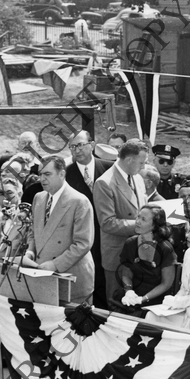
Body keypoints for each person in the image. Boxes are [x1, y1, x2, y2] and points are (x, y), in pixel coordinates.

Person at [23, 156, 95, 304]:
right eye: (40, 174)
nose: (42, 179)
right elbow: (33, 232)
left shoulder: (79, 201)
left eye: (47, 174)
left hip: (71, 278)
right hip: (42, 277)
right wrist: (30, 251)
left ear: (62, 174)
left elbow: (82, 244)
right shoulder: (39, 197)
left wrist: (55, 265)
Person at [94, 139, 147, 301]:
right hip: (118, 256)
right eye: (141, 162)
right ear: (129, 160)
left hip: (140, 253)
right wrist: (143, 226)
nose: (144, 167)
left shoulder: (137, 177)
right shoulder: (104, 183)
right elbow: (108, 223)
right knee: (118, 304)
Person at [65, 130, 111, 307]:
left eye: (80, 145)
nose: (77, 150)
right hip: (81, 237)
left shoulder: (109, 168)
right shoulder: (66, 175)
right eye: (72, 147)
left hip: (108, 236)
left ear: (92, 145)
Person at [147, 217, 190, 330]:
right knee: (151, 316)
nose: (187, 236)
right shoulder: (188, 253)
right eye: (189, 231)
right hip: (183, 311)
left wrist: (178, 302)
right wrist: (170, 306)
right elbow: (184, 288)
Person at [112, 204, 176, 317]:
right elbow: (126, 273)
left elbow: (166, 284)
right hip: (132, 296)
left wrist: (143, 299)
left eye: (143, 219)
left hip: (155, 300)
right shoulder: (130, 243)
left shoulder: (165, 248)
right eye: (138, 217)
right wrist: (128, 291)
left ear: (155, 225)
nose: (137, 221)